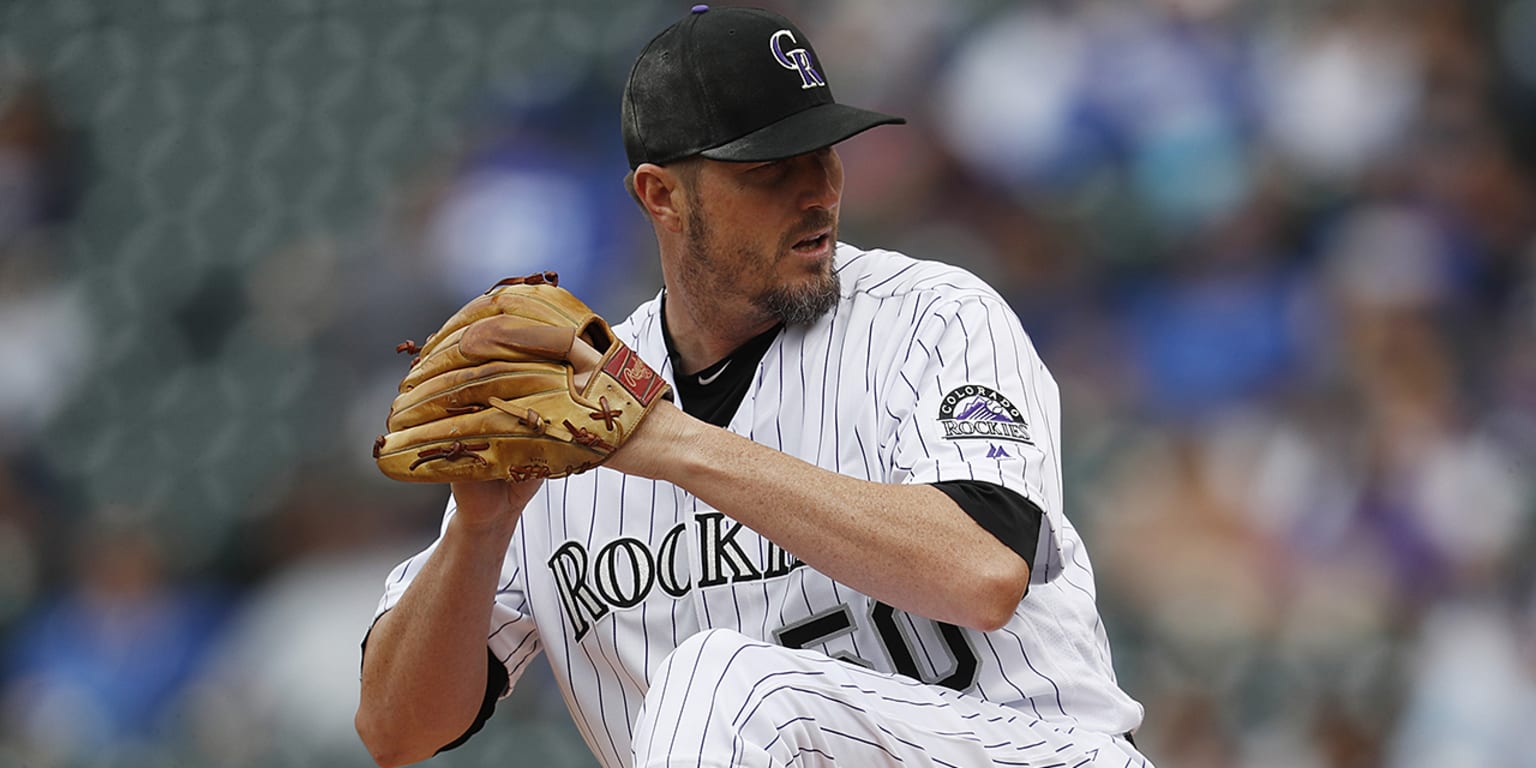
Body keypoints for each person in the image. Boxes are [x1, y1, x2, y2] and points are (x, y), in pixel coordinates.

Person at [355, 5, 1152, 767]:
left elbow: (982, 574)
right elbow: (395, 732)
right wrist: (478, 528)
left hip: (1029, 751)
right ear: (660, 195)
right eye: (772, 169)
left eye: (825, 153)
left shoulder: (934, 318)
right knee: (723, 689)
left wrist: (672, 444)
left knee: (726, 685)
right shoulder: (570, 409)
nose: (820, 191)